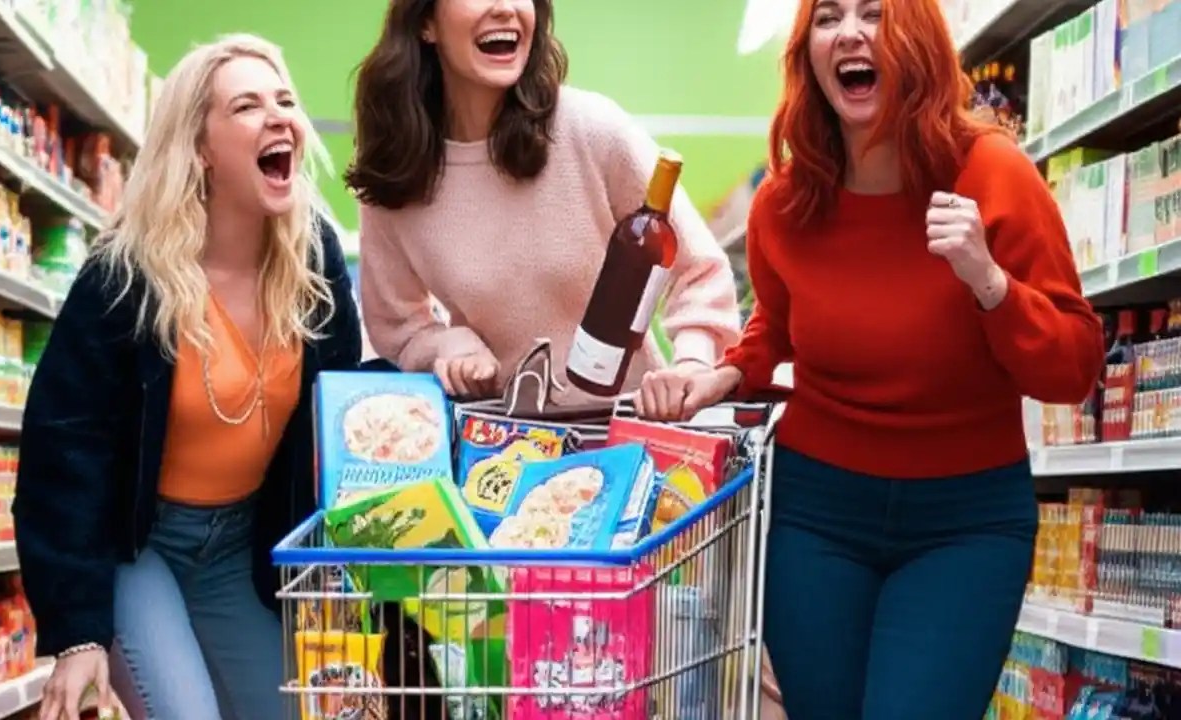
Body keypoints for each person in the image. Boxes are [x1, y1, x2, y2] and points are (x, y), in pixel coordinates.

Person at [637, 0, 1103, 718]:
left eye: (875, 13)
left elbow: (1073, 369)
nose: (850, 33)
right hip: (816, 517)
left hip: (966, 523)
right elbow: (775, 328)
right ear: (808, 56)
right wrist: (718, 375)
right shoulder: (785, 204)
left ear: (917, 38)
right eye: (827, 17)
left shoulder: (993, 175)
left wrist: (989, 281)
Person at [12, 34, 361, 720]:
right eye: (247, 106)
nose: (278, 116)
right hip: (141, 546)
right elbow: (65, 449)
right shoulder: (127, 275)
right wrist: (77, 629)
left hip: (243, 546)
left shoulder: (313, 258)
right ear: (200, 147)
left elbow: (343, 413)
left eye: (285, 101)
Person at [347, 0, 742, 403]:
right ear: (426, 23)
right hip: (495, 436)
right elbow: (399, 326)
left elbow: (699, 271)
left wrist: (692, 363)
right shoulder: (395, 168)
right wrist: (448, 345)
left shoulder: (592, 129)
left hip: (626, 428)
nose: (505, 8)